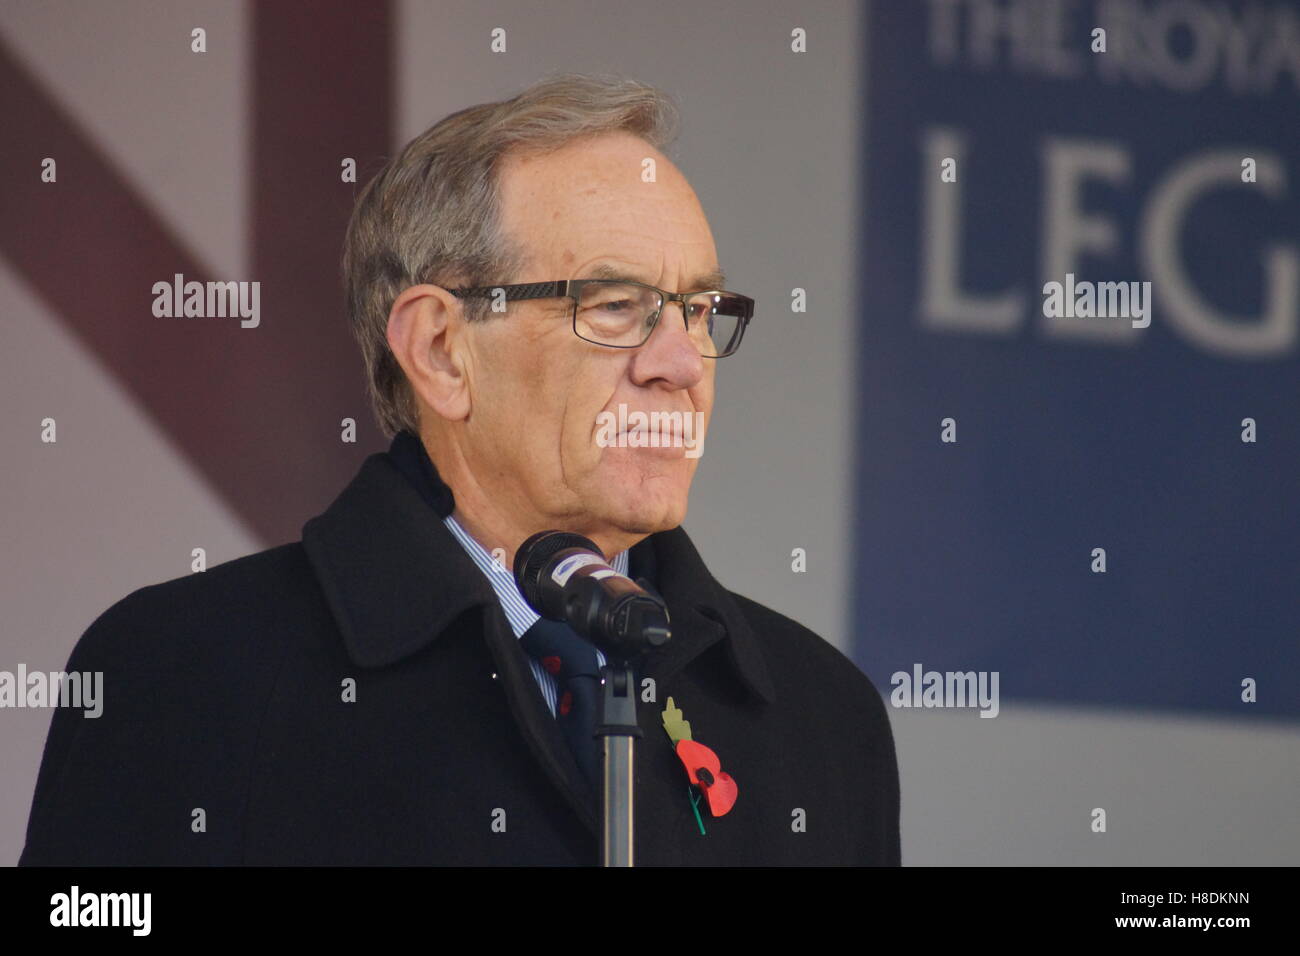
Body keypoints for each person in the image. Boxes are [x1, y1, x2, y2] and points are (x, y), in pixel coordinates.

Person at [19, 73, 900, 866]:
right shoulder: (187, 674)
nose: (681, 360)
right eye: (617, 305)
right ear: (441, 351)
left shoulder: (821, 716)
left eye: (699, 310)